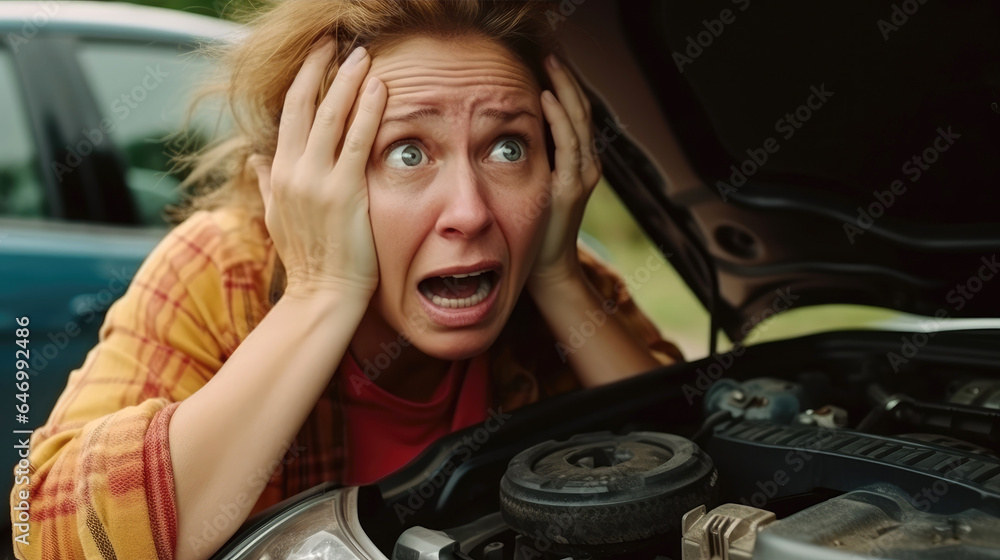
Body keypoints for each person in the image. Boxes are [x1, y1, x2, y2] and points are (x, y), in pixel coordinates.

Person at [10, 1, 682, 559]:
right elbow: (51, 534)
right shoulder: (220, 271)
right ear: (309, 182)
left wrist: (560, 276)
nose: (471, 211)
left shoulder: (556, 267)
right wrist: (320, 290)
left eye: (508, 147)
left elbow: (691, 469)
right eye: (407, 152)